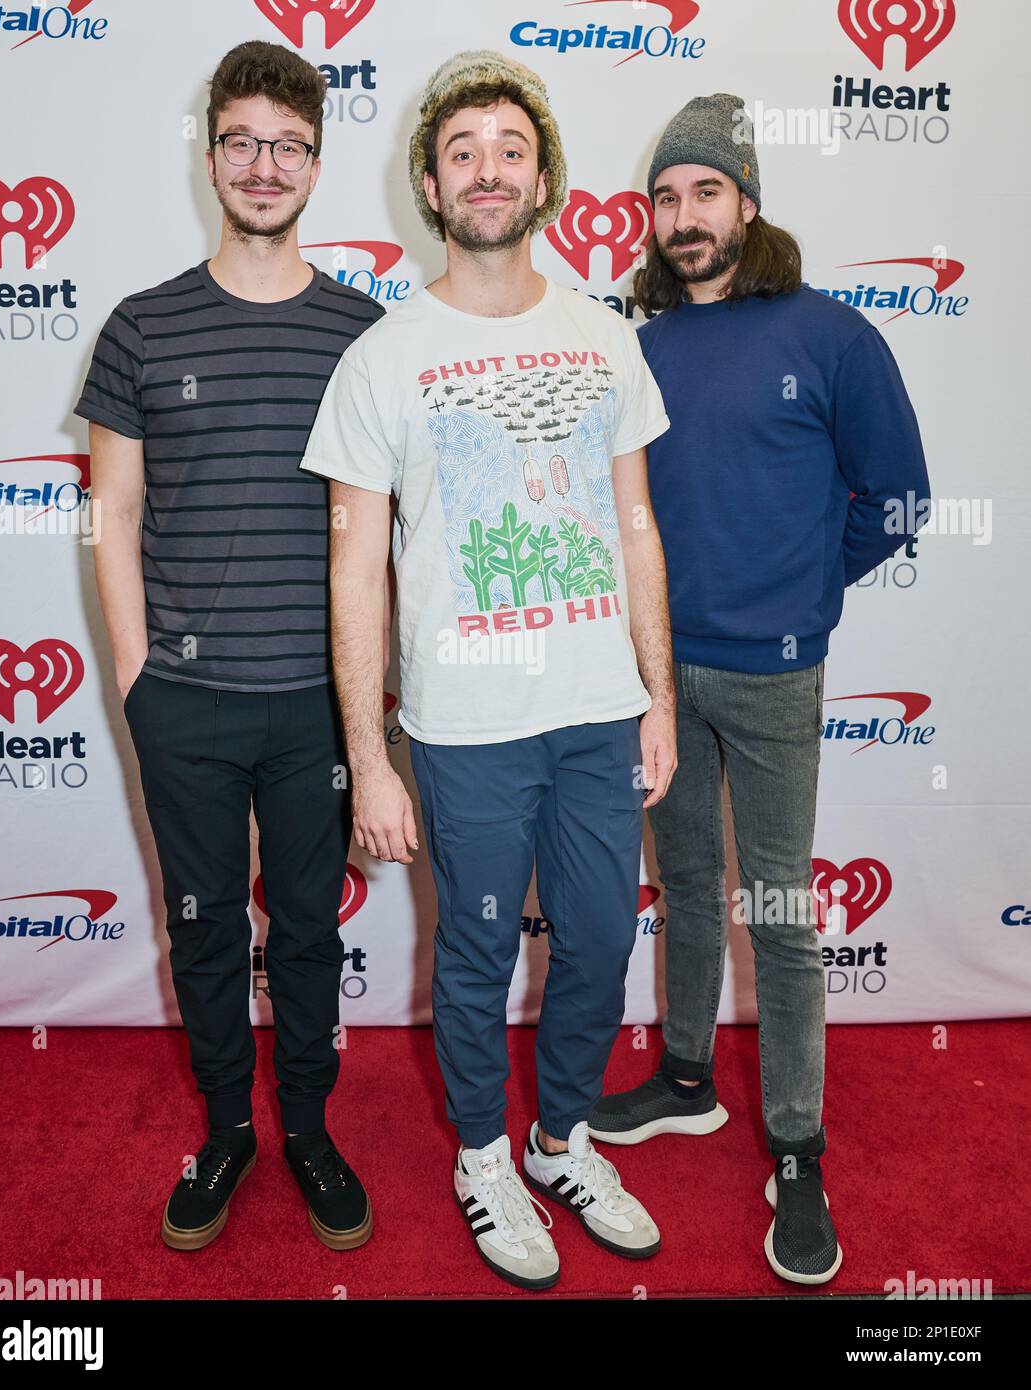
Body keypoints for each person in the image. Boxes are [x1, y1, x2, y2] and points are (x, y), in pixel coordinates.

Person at [300, 51, 676, 1290]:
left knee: (597, 943)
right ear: (428, 182)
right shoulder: (384, 356)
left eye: (509, 148)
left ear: (544, 177)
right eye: (461, 151)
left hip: (594, 710)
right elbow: (355, 572)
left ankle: (559, 1138)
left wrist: (657, 692)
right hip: (462, 722)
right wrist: (369, 757)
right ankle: (480, 1154)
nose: (486, 169)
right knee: (470, 954)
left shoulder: (605, 339)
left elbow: (635, 529)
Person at [589, 94, 930, 1285]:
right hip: (656, 677)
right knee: (683, 884)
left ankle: (795, 1143)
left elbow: (897, 496)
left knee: (777, 913)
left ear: (745, 204)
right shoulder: (631, 344)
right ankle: (686, 1077)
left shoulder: (830, 336)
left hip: (779, 678)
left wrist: (805, 594)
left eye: (704, 194)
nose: (684, 218)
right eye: (664, 199)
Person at [74, 40, 383, 1253]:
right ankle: (223, 1131)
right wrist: (137, 676)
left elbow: (382, 534)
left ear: (317, 160)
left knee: (308, 927)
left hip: (317, 702)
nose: (266, 165)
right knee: (202, 925)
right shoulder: (141, 326)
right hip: (186, 702)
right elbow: (114, 520)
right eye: (243, 141)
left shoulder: (363, 334)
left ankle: (305, 1124)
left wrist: (378, 700)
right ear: (211, 156)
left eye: (289, 145)